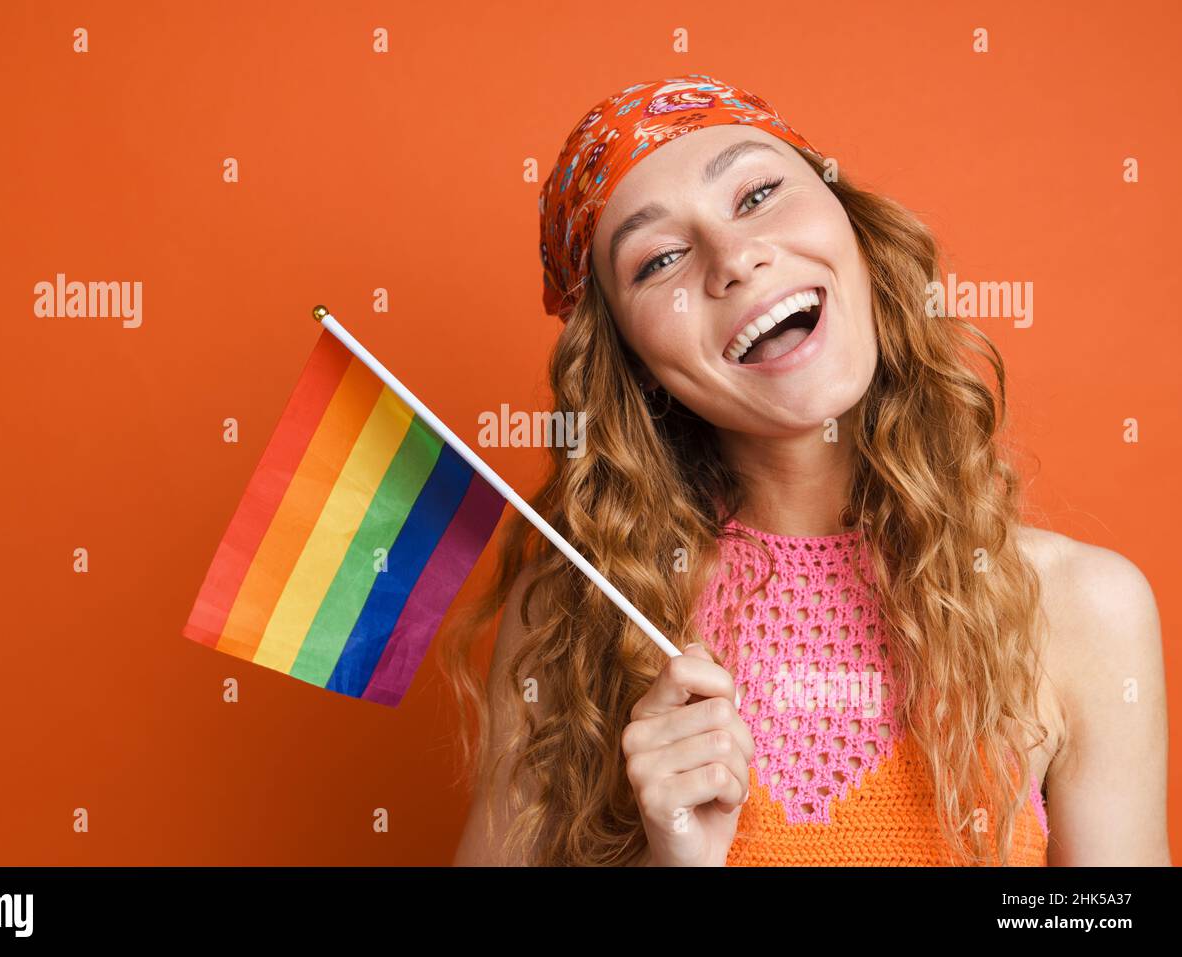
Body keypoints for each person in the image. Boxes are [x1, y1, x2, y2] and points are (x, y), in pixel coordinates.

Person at [448, 74, 1169, 866]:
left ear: (852, 227)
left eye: (757, 193)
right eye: (660, 260)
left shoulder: (1084, 609)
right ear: (633, 360)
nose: (734, 259)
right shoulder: (570, 619)